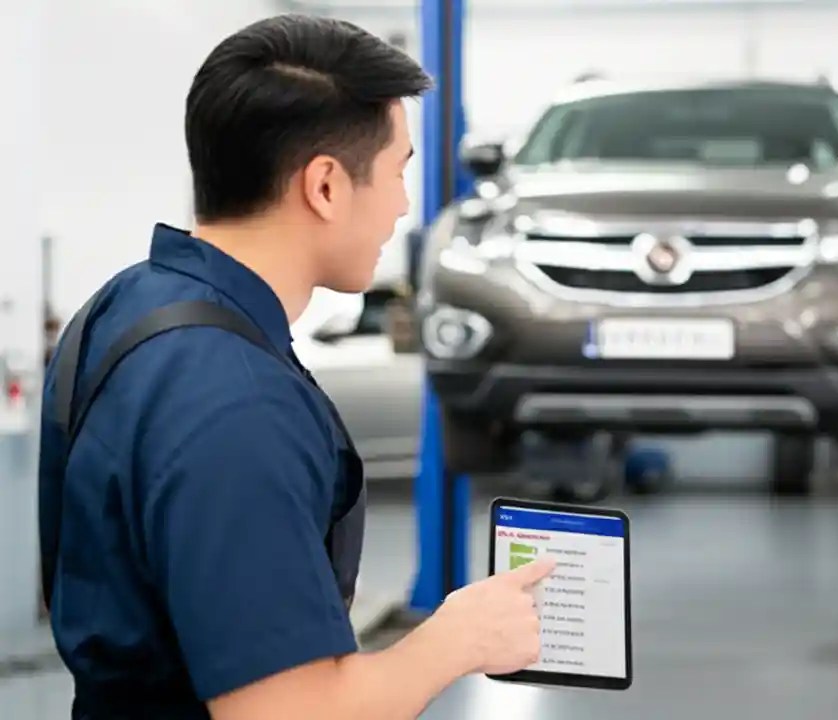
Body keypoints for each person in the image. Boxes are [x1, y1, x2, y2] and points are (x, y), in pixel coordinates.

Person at [38, 14, 554, 720]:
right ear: (326, 187)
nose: (403, 205)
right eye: (399, 172)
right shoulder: (236, 401)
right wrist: (455, 641)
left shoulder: (126, 303)